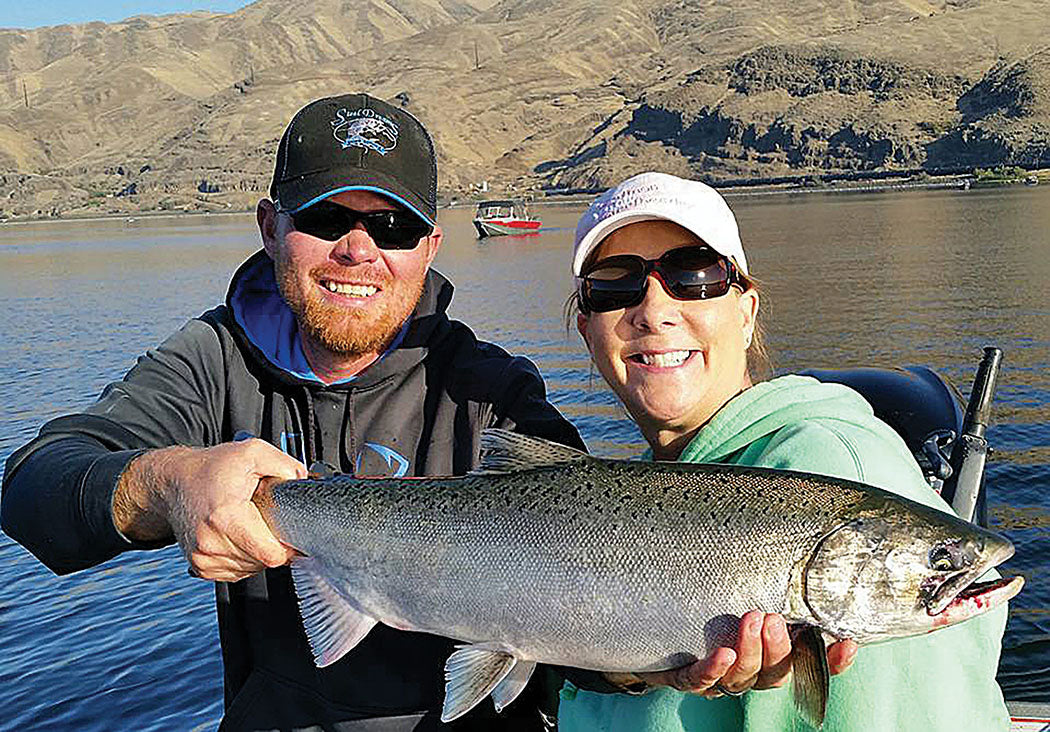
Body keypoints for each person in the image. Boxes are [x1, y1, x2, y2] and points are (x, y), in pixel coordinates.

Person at [1, 93, 589, 732]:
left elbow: (598, 596)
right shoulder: (213, 362)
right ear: (270, 227)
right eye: (328, 219)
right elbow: (34, 487)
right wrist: (170, 485)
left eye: (394, 228)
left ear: (431, 245)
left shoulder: (491, 390)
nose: (359, 251)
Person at [557, 171, 1012, 731]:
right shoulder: (660, 484)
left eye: (692, 274)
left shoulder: (830, 463)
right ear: (586, 328)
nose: (653, 310)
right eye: (614, 285)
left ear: (746, 312)